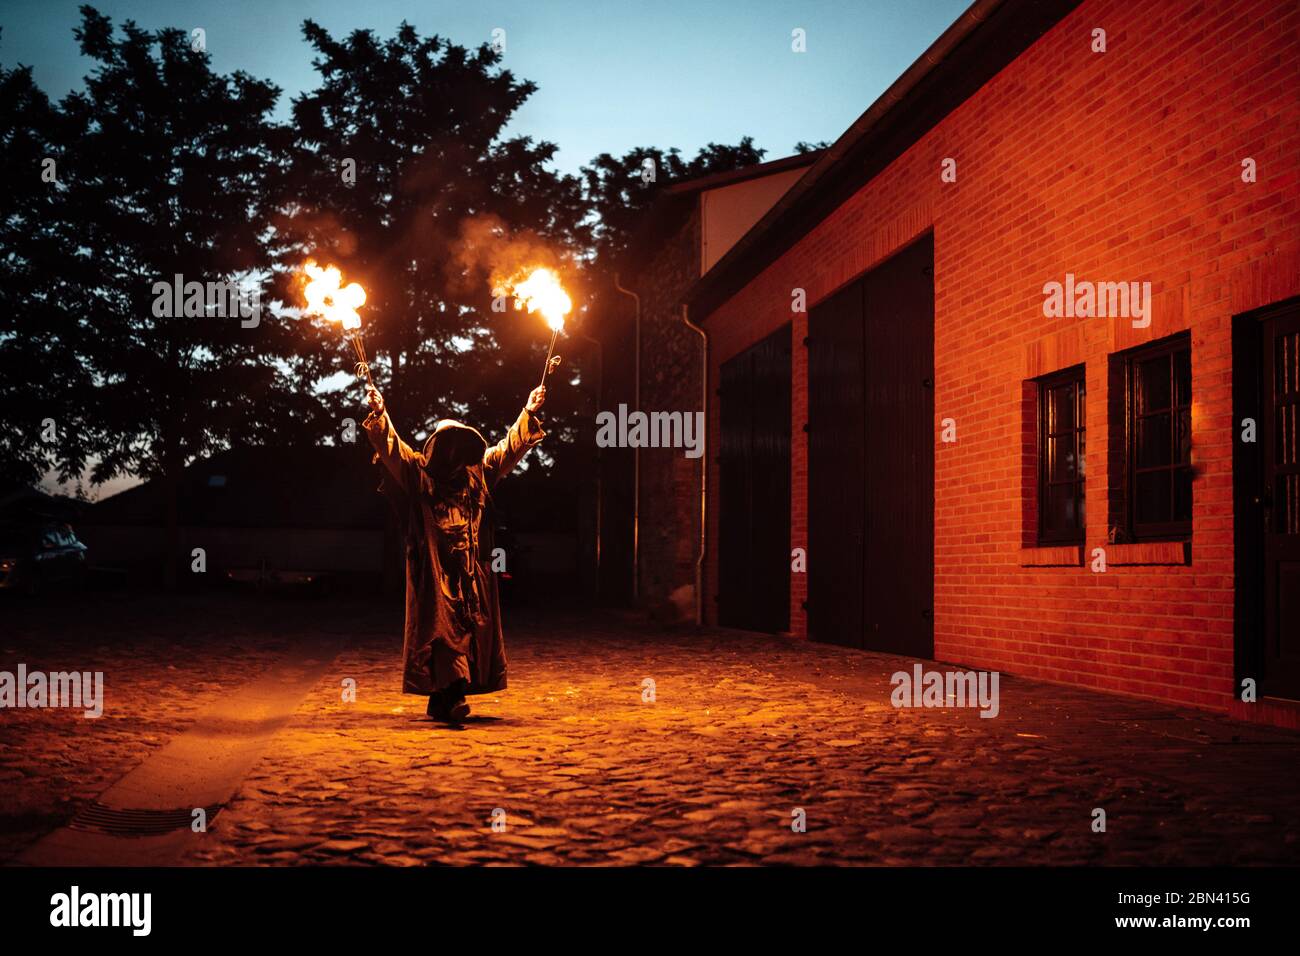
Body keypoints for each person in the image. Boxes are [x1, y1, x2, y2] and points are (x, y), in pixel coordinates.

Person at [363, 382, 547, 725]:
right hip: (434, 571)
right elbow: (391, 447)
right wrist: (379, 412)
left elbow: (508, 449)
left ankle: (442, 697)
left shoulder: (480, 475)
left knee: (468, 627)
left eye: (457, 447)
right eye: (445, 447)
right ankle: (452, 694)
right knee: (441, 630)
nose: (451, 455)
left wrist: (529, 411)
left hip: (471, 571)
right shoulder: (417, 473)